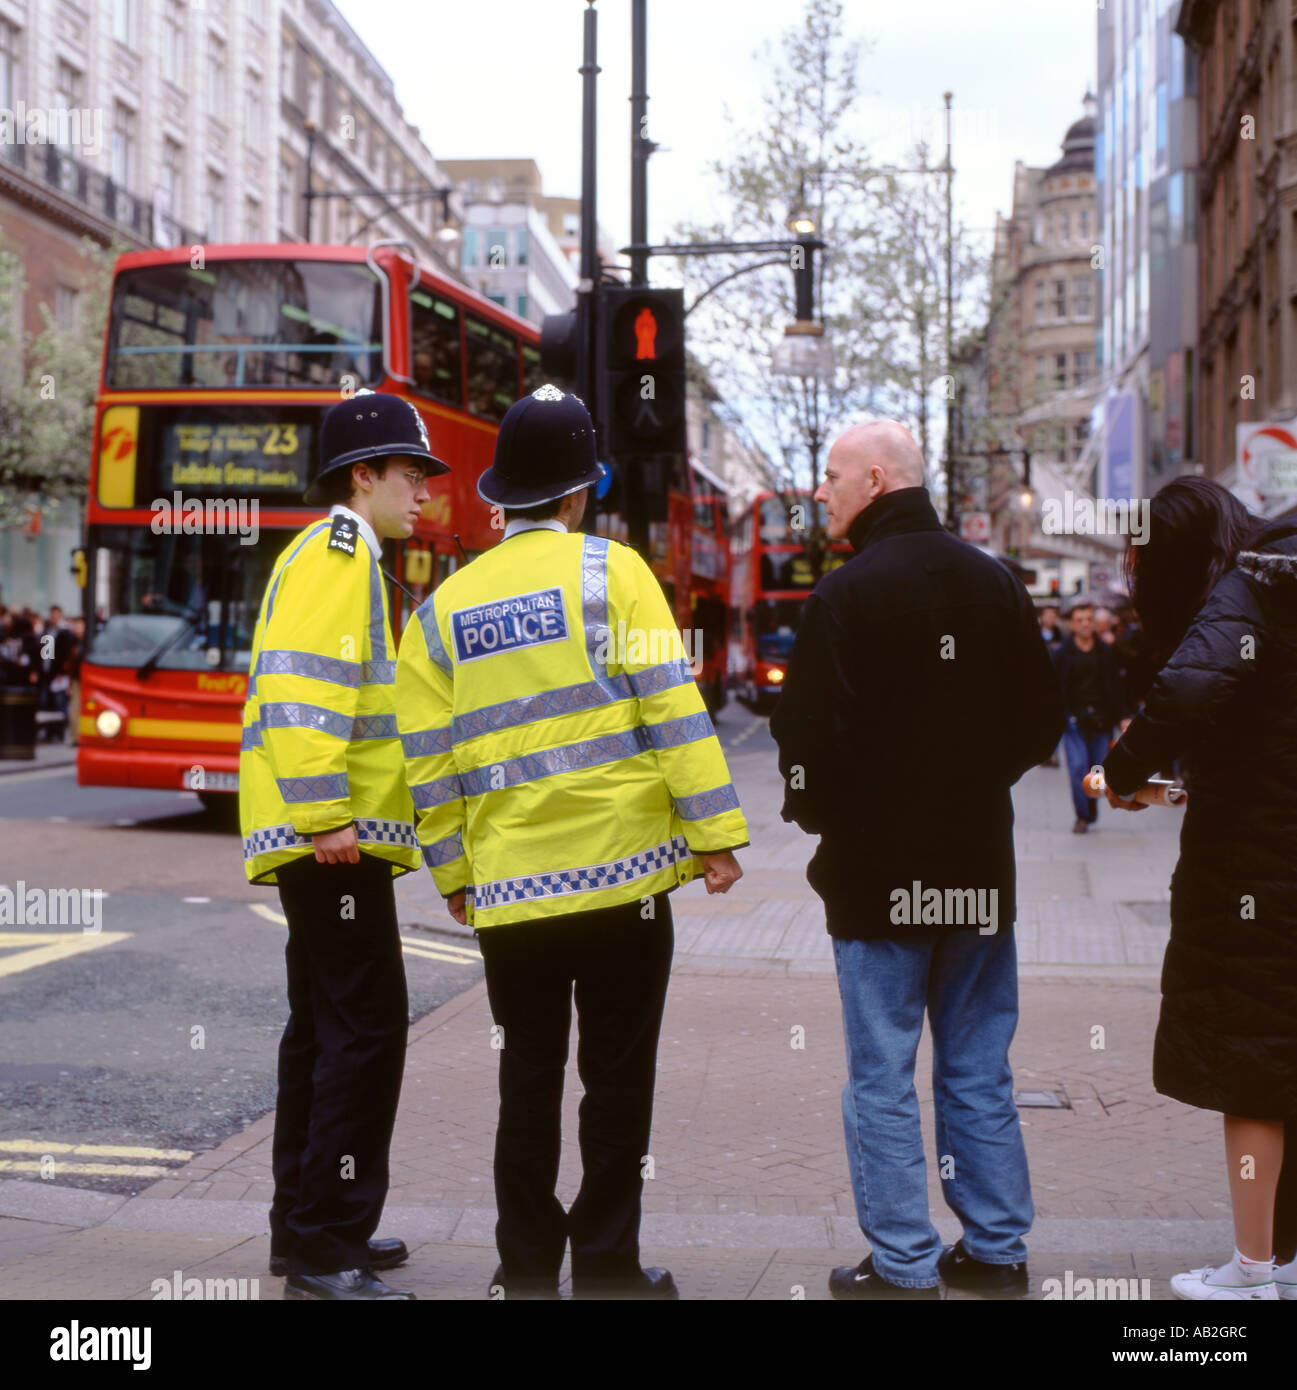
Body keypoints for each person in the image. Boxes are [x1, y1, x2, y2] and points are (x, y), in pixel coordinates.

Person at [395, 385, 748, 1300]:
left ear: (500, 497)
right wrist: (712, 838)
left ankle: (522, 1271)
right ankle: (606, 1263)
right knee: (617, 1081)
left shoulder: (438, 612)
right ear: (580, 490)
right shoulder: (612, 572)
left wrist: (454, 874)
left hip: (514, 896)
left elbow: (425, 766)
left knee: (527, 1079)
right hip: (625, 885)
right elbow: (673, 709)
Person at [770, 420, 1063, 1300]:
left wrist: (823, 814)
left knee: (882, 1076)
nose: (819, 492)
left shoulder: (845, 596)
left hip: (876, 875)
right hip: (975, 869)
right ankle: (998, 1249)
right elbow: (1041, 719)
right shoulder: (994, 582)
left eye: (828, 476)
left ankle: (903, 1264)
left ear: (871, 478)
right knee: (977, 1066)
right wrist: (969, 785)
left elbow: (807, 741)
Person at [239, 391, 443, 1300]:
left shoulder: (338, 553)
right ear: (363, 477)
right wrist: (325, 813)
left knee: (322, 1029)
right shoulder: (339, 550)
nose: (423, 495)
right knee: (366, 1029)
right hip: (330, 840)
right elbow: (301, 688)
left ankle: (306, 1228)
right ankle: (328, 1245)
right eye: (410, 475)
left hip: (323, 835)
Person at [1101, 477, 1297, 1301]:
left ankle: (1256, 1271)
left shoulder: (1251, 584)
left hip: (1260, 870)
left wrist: (1120, 771)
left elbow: (1185, 691)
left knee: (1251, 1063)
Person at [1051, 599, 1132, 833]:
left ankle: (1091, 807)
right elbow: (1054, 688)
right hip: (1073, 720)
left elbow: (1116, 686)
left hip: (1101, 719)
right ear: (1072, 625)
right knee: (1077, 767)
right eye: (1080, 620)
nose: (1085, 624)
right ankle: (1082, 816)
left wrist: (1123, 716)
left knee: (1096, 770)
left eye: (1089, 619)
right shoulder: (1062, 654)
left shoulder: (1105, 652)